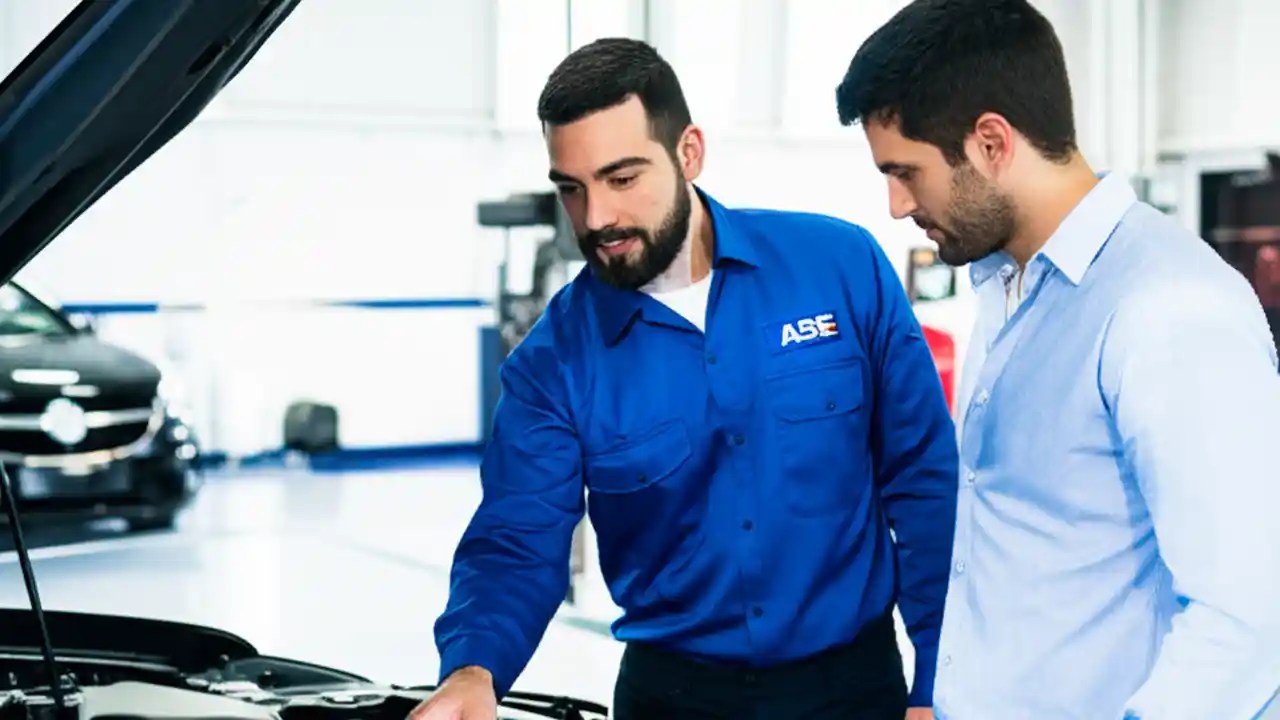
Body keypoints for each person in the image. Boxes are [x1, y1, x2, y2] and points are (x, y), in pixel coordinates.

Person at [408, 37, 958, 720]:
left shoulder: (840, 267)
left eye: (622, 178)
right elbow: (518, 537)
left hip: (854, 690)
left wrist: (938, 679)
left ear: (689, 152)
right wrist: (472, 669)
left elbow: (926, 484)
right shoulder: (553, 361)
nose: (597, 217)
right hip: (672, 699)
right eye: (572, 189)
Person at [835, 1, 1280, 718]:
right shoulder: (1006, 290)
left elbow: (1251, 619)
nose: (895, 204)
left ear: (989, 143)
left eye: (906, 172)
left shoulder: (1168, 307)